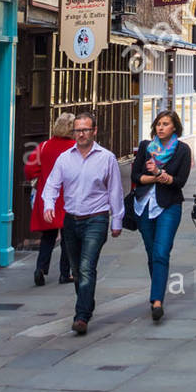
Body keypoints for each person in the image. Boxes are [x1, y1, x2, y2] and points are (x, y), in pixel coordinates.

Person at [42, 109, 124, 335]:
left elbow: (115, 190)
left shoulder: (106, 158)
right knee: (77, 270)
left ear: (94, 131)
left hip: (96, 218)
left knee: (87, 267)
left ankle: (81, 316)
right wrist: (48, 205)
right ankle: (87, 303)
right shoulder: (65, 158)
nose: (81, 134)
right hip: (71, 220)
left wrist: (116, 221)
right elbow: (52, 185)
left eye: (85, 130)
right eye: (77, 130)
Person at [130, 108, 191, 322]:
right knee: (151, 252)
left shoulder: (182, 150)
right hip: (144, 205)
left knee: (161, 251)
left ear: (174, 127)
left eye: (165, 124)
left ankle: (157, 301)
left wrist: (159, 174)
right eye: (158, 124)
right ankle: (157, 290)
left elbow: (180, 181)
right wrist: (154, 177)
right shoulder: (147, 147)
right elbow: (135, 176)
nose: (161, 127)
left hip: (169, 206)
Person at [24, 113, 76, 286]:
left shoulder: (44, 146)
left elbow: (30, 170)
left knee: (48, 236)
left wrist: (42, 176)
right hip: (68, 196)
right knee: (68, 237)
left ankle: (40, 268)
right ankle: (64, 273)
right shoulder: (76, 147)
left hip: (48, 197)